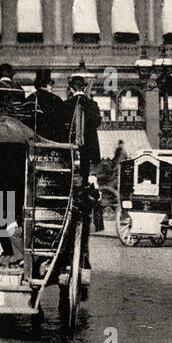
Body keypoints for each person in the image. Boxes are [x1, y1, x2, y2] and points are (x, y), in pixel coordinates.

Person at [64, 75, 102, 295]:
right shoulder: (92, 105)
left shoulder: (66, 105)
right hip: (87, 162)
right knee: (85, 214)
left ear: (70, 88)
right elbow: (97, 123)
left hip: (68, 163)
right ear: (84, 88)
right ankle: (83, 260)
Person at [25, 69, 67, 142]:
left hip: (33, 138)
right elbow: (62, 121)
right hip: (53, 139)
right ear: (48, 85)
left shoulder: (30, 98)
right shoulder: (56, 99)